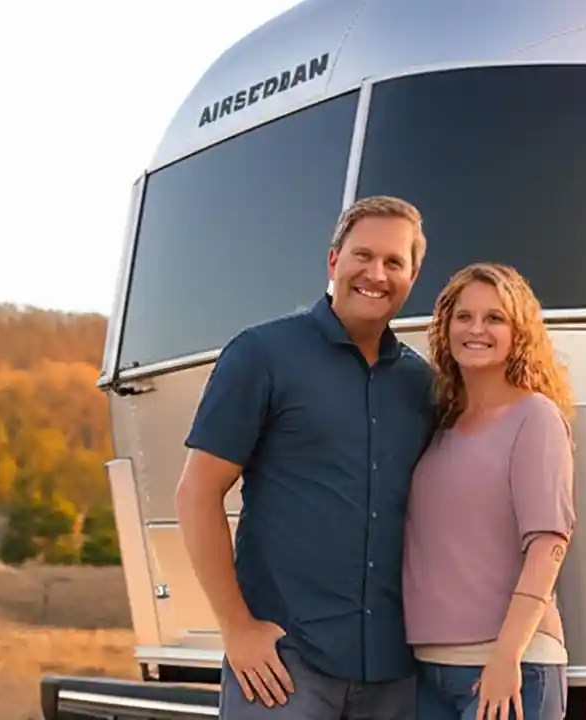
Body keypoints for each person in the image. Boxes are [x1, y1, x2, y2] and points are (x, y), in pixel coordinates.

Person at [175, 196, 436, 719]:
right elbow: (197, 494)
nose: (376, 274)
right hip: (284, 667)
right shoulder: (262, 355)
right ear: (333, 260)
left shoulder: (422, 384)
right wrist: (237, 629)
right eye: (363, 256)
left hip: (395, 674)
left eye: (394, 263)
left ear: (412, 276)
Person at [402, 262, 577, 720]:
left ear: (518, 333)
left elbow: (549, 545)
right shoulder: (443, 425)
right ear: (446, 328)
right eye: (464, 317)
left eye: (494, 318)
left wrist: (506, 656)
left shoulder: (534, 417)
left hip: (509, 669)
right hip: (429, 670)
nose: (476, 329)